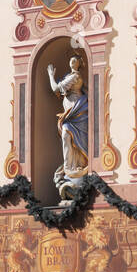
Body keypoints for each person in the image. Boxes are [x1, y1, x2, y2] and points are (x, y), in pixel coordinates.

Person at [48, 53, 89, 194]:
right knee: (66, 136)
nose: (72, 62)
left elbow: (56, 89)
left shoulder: (75, 76)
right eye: (71, 60)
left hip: (78, 112)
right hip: (69, 115)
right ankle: (69, 168)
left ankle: (77, 166)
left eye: (75, 60)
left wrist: (50, 75)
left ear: (79, 64)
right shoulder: (67, 76)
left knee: (74, 139)